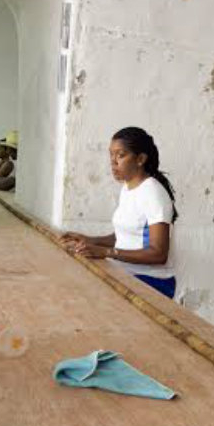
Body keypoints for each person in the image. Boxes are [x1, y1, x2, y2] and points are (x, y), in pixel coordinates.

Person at [58, 127, 178, 299]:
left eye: (120, 155)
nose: (113, 162)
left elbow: (159, 253)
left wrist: (106, 252)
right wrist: (90, 240)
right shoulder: (127, 188)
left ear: (140, 159)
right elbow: (124, 236)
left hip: (152, 281)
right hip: (126, 272)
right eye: (111, 155)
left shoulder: (153, 192)